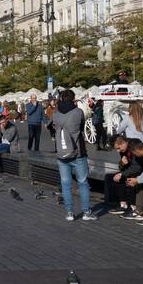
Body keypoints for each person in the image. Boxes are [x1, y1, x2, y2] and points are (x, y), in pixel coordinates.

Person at [53, 88, 96, 221]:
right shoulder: (78, 112)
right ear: (73, 98)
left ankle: (70, 213)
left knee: (66, 184)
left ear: (60, 98)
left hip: (62, 153)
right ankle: (86, 212)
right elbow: (82, 127)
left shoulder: (55, 113)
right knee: (83, 182)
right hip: (78, 153)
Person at [102, 135, 143, 215]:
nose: (118, 151)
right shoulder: (123, 150)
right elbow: (122, 168)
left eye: (118, 148)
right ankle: (123, 205)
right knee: (114, 177)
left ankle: (133, 206)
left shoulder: (134, 145)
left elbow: (137, 167)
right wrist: (122, 164)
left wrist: (122, 173)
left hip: (142, 171)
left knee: (130, 178)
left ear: (124, 143)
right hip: (132, 170)